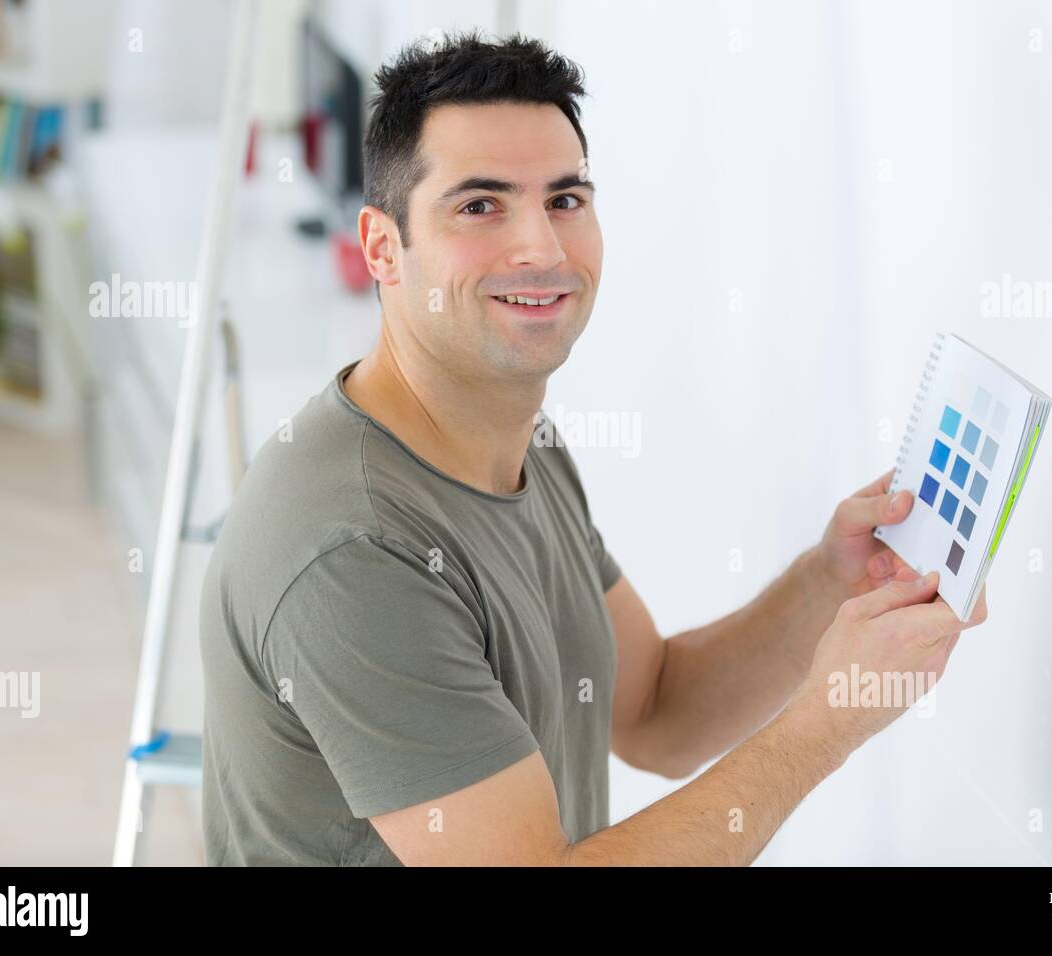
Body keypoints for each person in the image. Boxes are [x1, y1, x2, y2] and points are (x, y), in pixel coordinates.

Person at [199, 30, 986, 866]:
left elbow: (655, 711)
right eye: (480, 205)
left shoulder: (522, 442)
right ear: (384, 248)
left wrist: (828, 585)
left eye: (566, 199)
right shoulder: (353, 548)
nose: (541, 247)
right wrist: (832, 717)